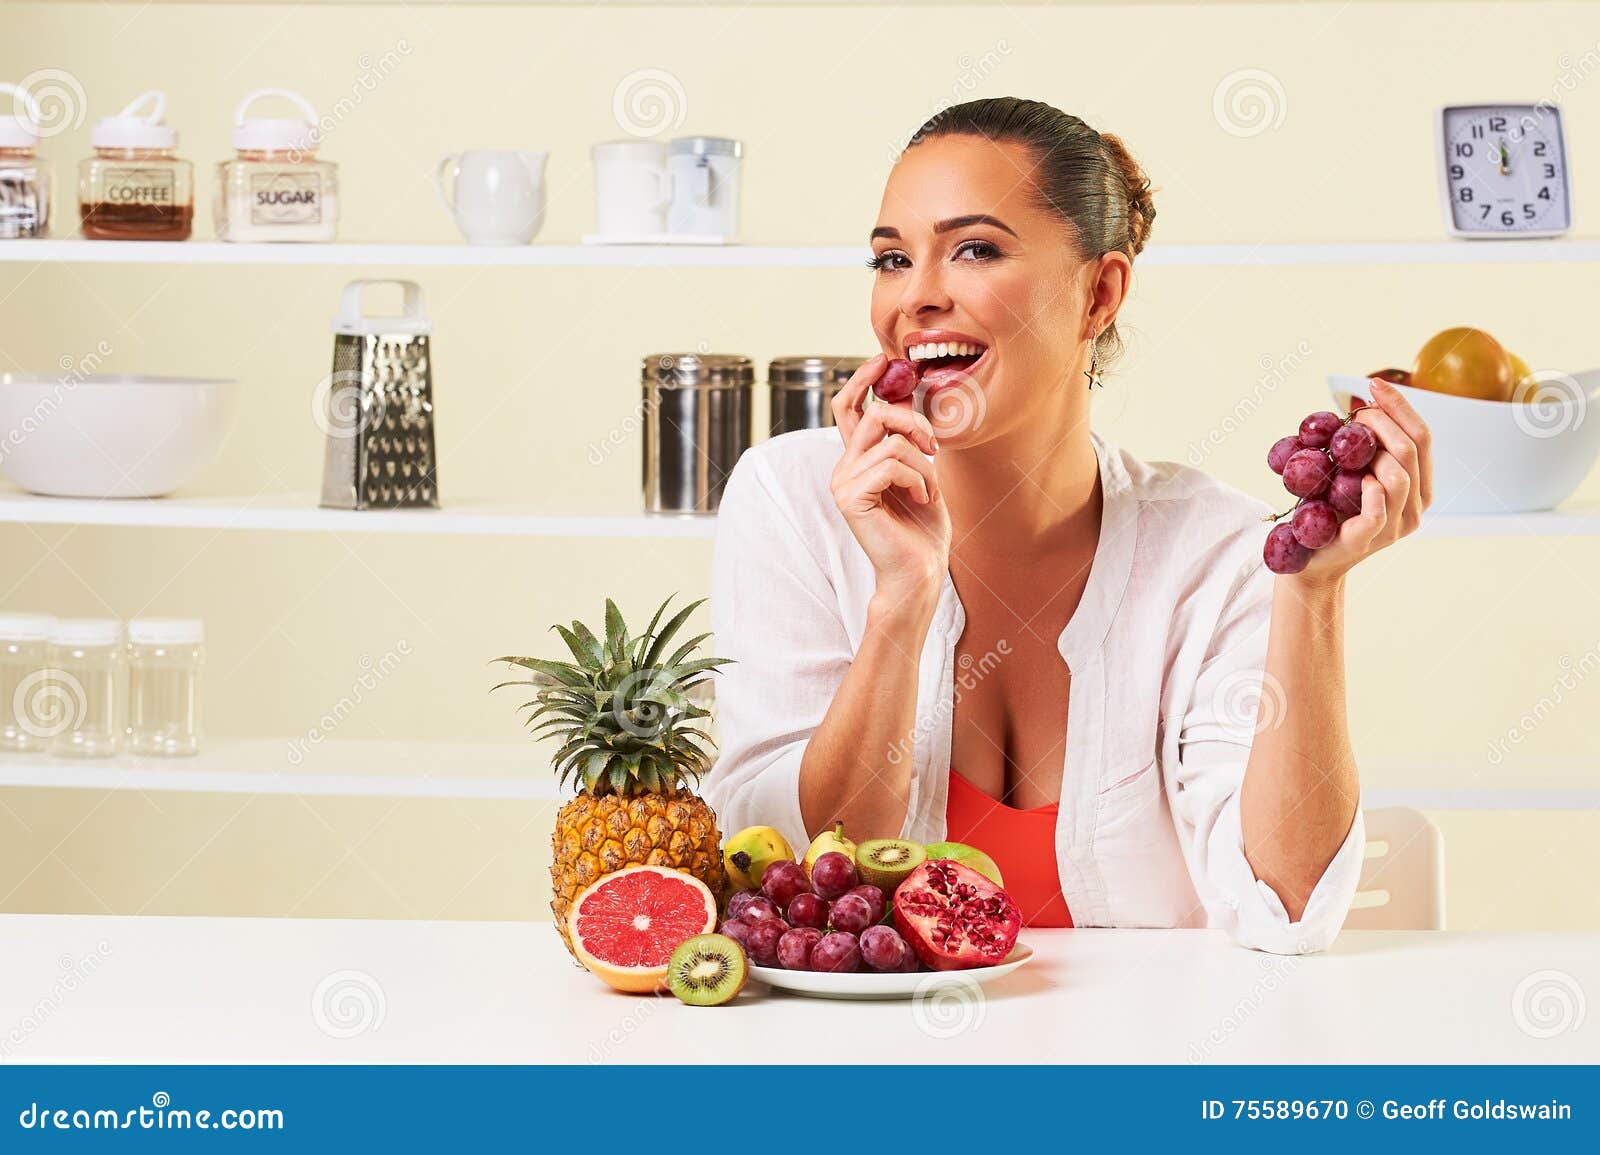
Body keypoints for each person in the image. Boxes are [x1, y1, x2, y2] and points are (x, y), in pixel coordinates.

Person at [700, 97, 1432, 953]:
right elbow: (798, 880)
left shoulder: (1217, 553)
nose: (918, 297)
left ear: (1099, 292)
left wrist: (1312, 592)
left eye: (973, 249)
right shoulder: (793, 500)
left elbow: (1286, 906)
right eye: (892, 258)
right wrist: (900, 602)